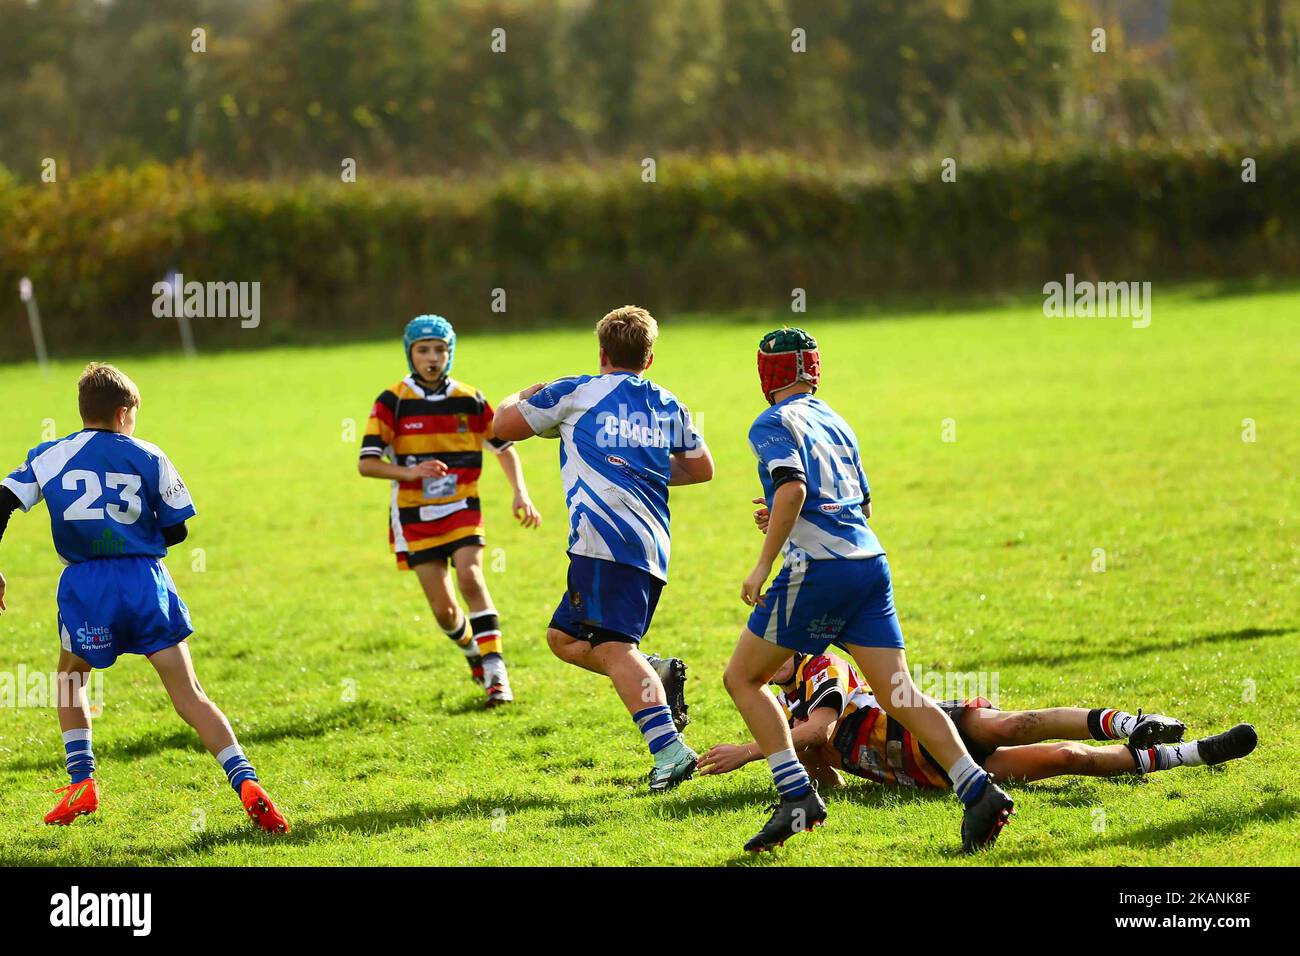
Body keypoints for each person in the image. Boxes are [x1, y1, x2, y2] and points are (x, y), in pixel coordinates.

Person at [720, 327, 1014, 853]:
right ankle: (977, 789)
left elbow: (793, 487)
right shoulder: (837, 421)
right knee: (897, 692)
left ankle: (796, 797)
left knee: (743, 678)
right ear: (814, 367)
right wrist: (787, 518)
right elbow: (859, 507)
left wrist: (763, 564)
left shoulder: (770, 422)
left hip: (819, 569)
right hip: (868, 563)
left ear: (766, 374)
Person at [0, 363, 288, 831]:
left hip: (87, 585)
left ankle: (82, 783)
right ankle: (247, 782)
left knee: (70, 680)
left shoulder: (49, 454)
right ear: (123, 412)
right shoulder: (150, 455)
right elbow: (177, 528)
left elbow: (1, 503)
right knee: (190, 695)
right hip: (145, 581)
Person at [492, 305, 712, 790]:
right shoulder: (666, 402)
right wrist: (641, 468)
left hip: (604, 541)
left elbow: (501, 426)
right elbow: (702, 468)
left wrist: (522, 393)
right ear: (648, 358)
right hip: (652, 545)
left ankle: (670, 753)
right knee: (563, 639)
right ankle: (652, 673)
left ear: (601, 353)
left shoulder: (576, 391)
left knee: (613, 647)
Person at [700, 651, 1257, 796]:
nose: (753, 658)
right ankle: (1193, 755)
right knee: (1065, 761)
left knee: (1020, 724)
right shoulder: (784, 710)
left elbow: (820, 732)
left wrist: (751, 752)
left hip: (940, 730)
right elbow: (827, 763)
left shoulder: (823, 666)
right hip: (935, 775)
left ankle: (1131, 722)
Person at [359, 315, 541, 707]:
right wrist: (411, 471)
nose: (432, 357)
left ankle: (497, 676)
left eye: (439, 349)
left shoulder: (470, 398)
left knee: (472, 579)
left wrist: (520, 494)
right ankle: (473, 652)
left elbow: (504, 448)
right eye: (423, 349)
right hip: (414, 516)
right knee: (444, 612)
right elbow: (367, 463)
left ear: (450, 353)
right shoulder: (392, 401)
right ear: (410, 353)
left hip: (462, 508)